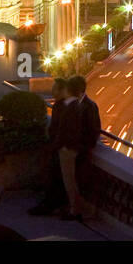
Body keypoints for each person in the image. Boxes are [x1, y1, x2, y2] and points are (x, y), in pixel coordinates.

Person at [56, 75, 102, 222]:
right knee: (72, 181)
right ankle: (75, 208)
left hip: (77, 150)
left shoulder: (89, 106)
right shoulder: (71, 104)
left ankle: (78, 210)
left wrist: (81, 146)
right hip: (73, 148)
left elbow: (94, 130)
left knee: (76, 182)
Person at [28, 77, 69, 216]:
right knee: (53, 176)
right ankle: (52, 203)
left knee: (55, 176)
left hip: (60, 148)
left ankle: (52, 204)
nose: (52, 91)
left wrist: (54, 146)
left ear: (62, 90)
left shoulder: (63, 106)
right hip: (56, 146)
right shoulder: (60, 105)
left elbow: (62, 129)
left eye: (55, 88)